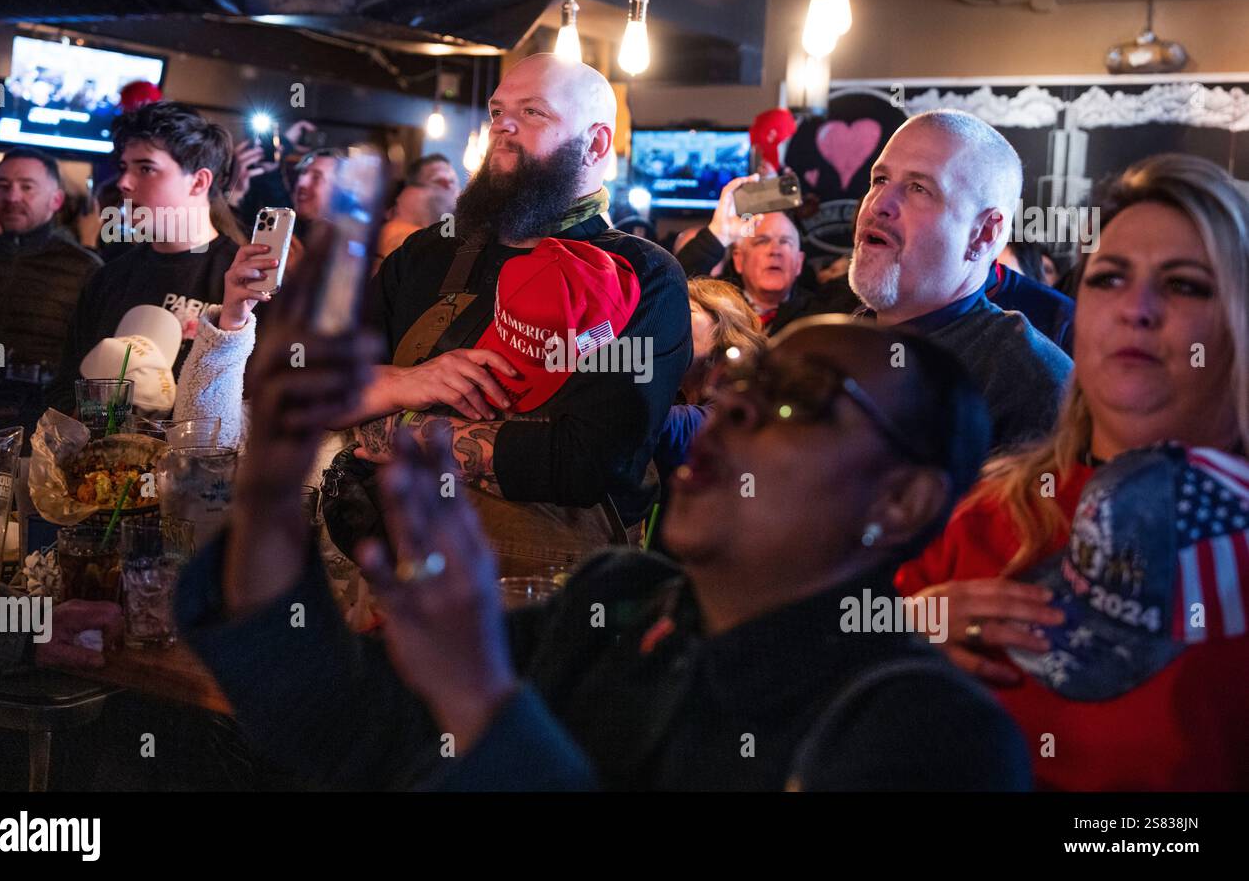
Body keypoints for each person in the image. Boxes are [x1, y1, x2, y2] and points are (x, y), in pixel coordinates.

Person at [176, 281, 1031, 789]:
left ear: (902, 498)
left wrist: (480, 697)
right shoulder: (615, 603)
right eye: (742, 383)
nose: (728, 409)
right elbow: (343, 732)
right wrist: (269, 485)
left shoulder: (927, 731)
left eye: (789, 402)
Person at [895, 153, 1249, 790]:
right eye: (1109, 278)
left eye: (1185, 284)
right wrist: (897, 640)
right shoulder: (988, 515)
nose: (1136, 308)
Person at [348, 54, 692, 572]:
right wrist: (404, 383)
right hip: (379, 564)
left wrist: (393, 431)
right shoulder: (427, 253)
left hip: (536, 592)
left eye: (533, 113)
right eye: (497, 110)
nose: (503, 126)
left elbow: (584, 463)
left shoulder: (642, 276)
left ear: (596, 143)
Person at [848, 110, 1072, 452]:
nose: (879, 205)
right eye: (879, 180)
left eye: (918, 188)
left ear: (984, 234)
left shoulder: (1027, 381)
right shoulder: (839, 345)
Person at [48, 101, 240, 416]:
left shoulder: (240, 281)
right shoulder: (108, 277)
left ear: (199, 181)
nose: (124, 182)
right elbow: (64, 387)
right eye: (124, 167)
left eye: (146, 168)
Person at [0, 149, 103, 432]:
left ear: (56, 199)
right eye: (3, 186)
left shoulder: (84, 268)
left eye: (26, 187)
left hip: (47, 420)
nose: (12, 197)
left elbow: (95, 362)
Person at [677, 175, 853, 330]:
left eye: (785, 242)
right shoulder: (715, 309)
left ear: (799, 263)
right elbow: (672, 290)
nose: (775, 251)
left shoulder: (821, 319)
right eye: (762, 241)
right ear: (738, 260)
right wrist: (718, 234)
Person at [653, 277, 766, 488]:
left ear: (725, 327)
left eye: (687, 309)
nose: (669, 318)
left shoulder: (745, 395)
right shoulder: (675, 395)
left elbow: (681, 429)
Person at [375, 153, 462, 265]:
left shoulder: (450, 234)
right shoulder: (395, 235)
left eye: (454, 182)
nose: (451, 187)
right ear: (410, 192)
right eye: (439, 180)